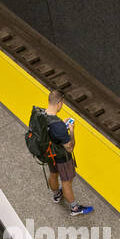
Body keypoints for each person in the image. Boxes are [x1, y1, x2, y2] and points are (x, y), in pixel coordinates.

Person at [42, 88, 93, 217]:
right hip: (61, 157)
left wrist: (61, 126)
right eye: (62, 103)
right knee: (67, 181)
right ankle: (74, 208)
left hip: (49, 153)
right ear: (59, 103)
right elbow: (70, 147)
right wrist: (71, 130)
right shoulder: (58, 126)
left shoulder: (42, 115)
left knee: (53, 174)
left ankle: (56, 195)